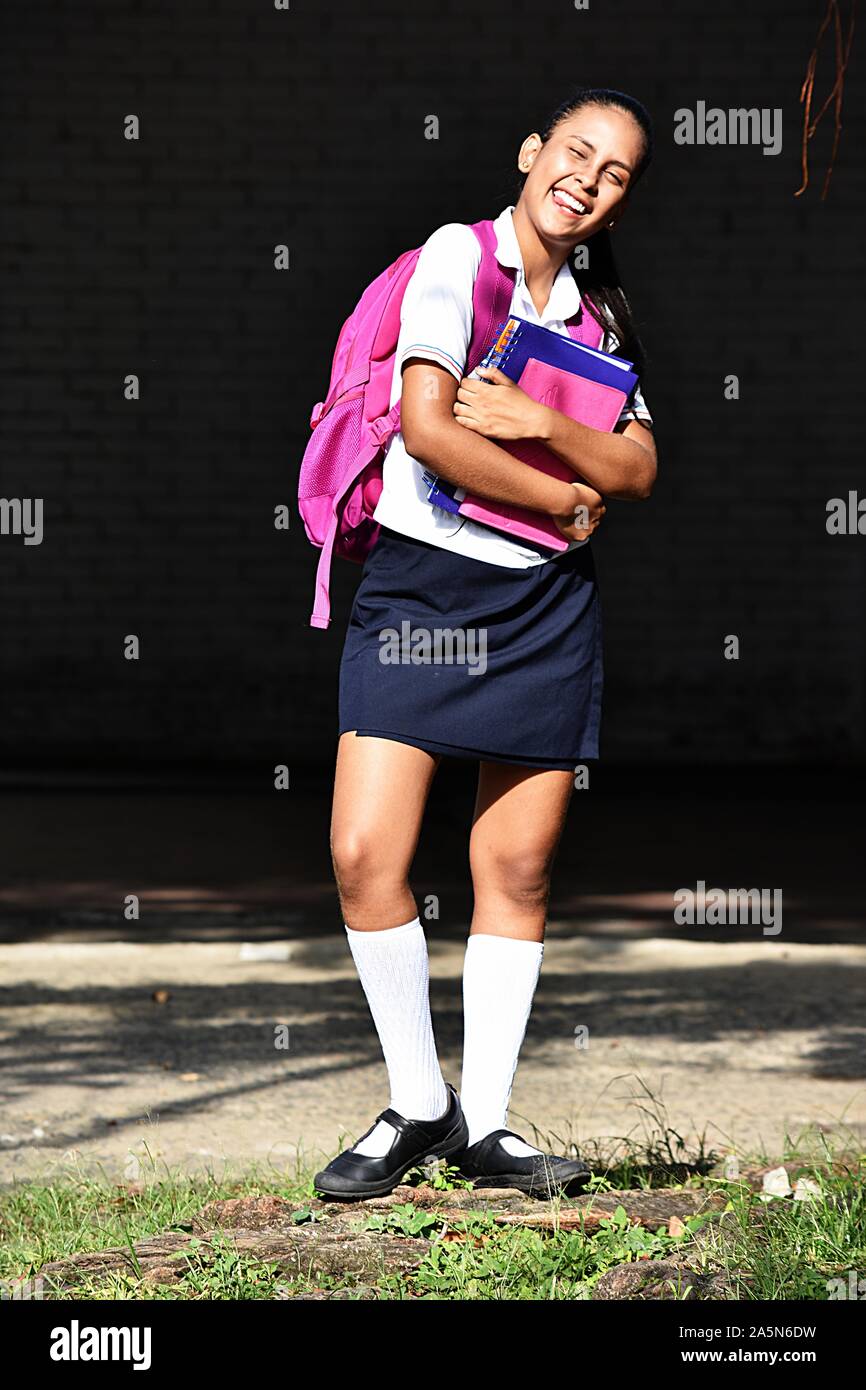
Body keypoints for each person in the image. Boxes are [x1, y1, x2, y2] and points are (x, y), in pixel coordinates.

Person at [314, 87, 658, 1200]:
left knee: (512, 867)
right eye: (575, 152)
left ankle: (489, 1126)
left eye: (614, 173)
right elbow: (427, 428)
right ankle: (417, 1100)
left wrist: (544, 426)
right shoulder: (451, 261)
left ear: (617, 201)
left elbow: (639, 467)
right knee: (367, 854)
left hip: (542, 614)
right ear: (531, 151)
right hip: (421, 593)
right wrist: (562, 498)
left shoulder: (601, 316)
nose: (588, 179)